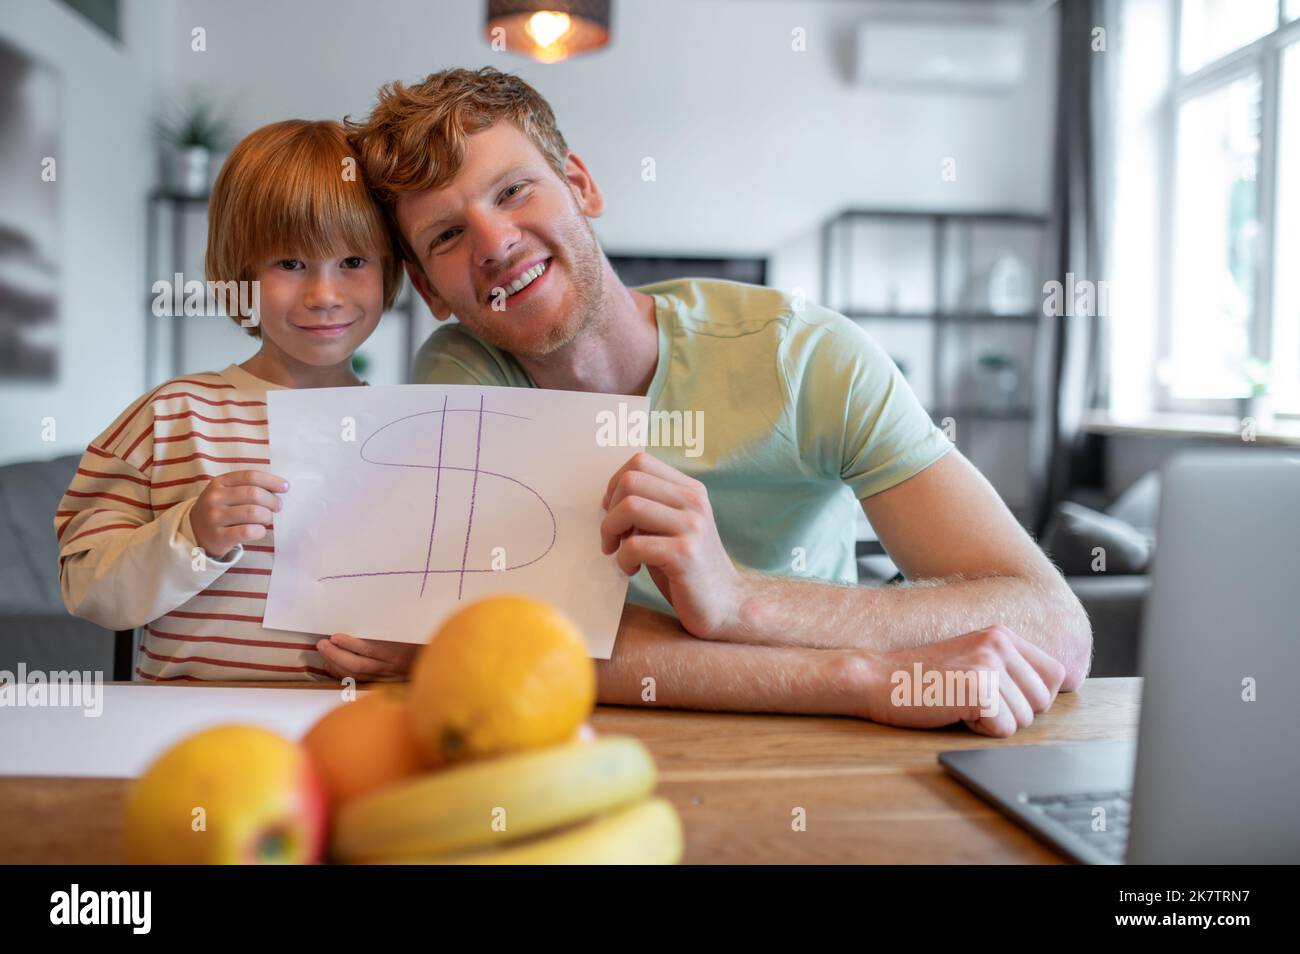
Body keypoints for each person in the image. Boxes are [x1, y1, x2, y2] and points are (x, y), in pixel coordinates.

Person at [344, 67, 1092, 736]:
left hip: (829, 755)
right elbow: (533, 636)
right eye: (447, 235)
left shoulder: (805, 357)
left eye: (513, 190)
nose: (495, 240)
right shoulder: (460, 376)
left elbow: (1056, 626)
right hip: (583, 745)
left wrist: (742, 602)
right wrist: (863, 677)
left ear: (580, 186)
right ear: (428, 291)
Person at [55, 119, 416, 682]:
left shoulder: (409, 434)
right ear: (239, 273)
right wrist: (189, 534)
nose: (325, 296)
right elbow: (86, 586)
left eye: (353, 262)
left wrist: (412, 656)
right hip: (187, 739)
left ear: (389, 270)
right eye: (290, 264)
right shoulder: (171, 416)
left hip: (353, 737)